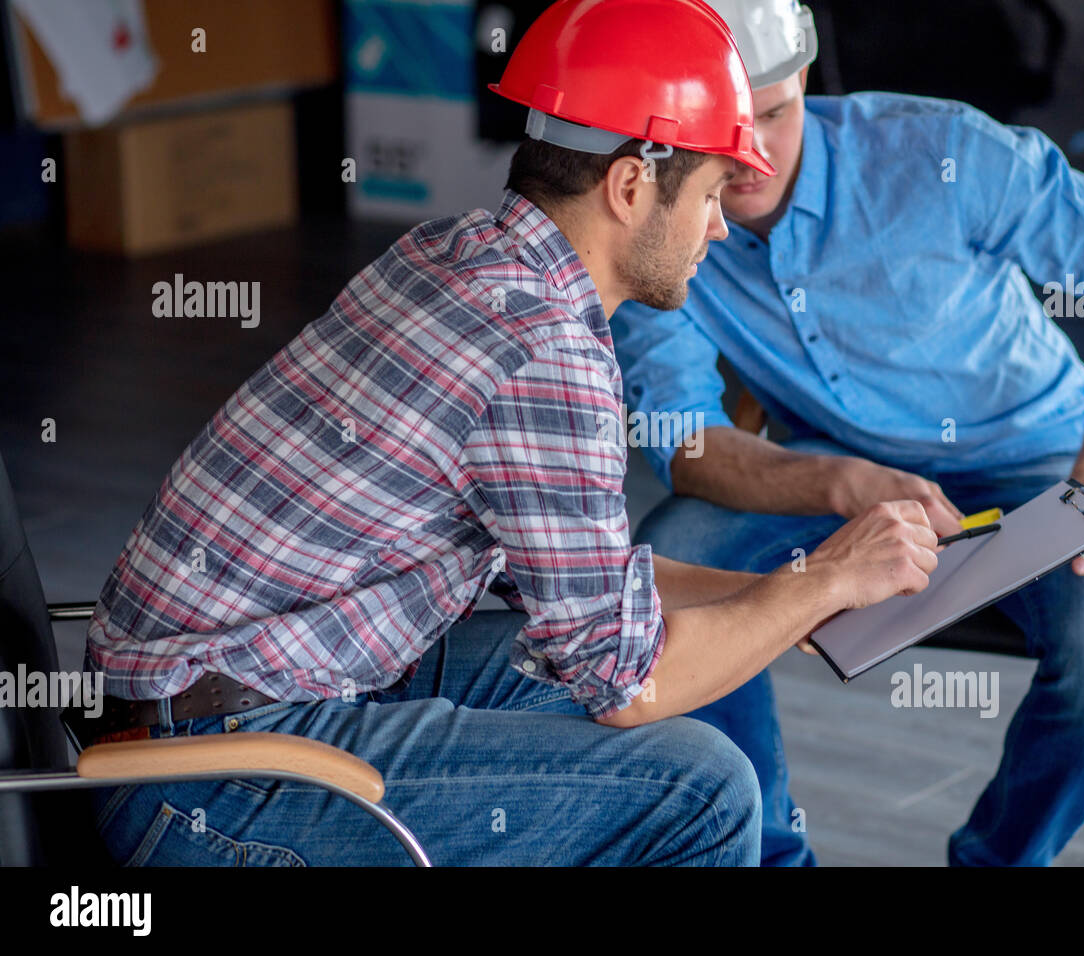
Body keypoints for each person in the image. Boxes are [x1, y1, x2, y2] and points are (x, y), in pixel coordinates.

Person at [72, 0, 940, 867]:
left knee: (593, 682)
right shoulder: (542, 346)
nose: (719, 225)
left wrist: (804, 602)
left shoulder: (456, 254)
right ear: (631, 185)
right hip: (209, 780)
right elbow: (627, 683)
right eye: (711, 193)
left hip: (209, 702)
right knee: (700, 787)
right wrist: (822, 583)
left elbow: (596, 603)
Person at [611, 0, 1084, 867]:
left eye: (774, 113)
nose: (755, 155)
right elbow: (687, 442)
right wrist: (839, 484)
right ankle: (766, 855)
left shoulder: (941, 150)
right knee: (664, 573)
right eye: (731, 129)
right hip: (823, 471)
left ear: (803, 79)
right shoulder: (658, 224)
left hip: (1038, 461)